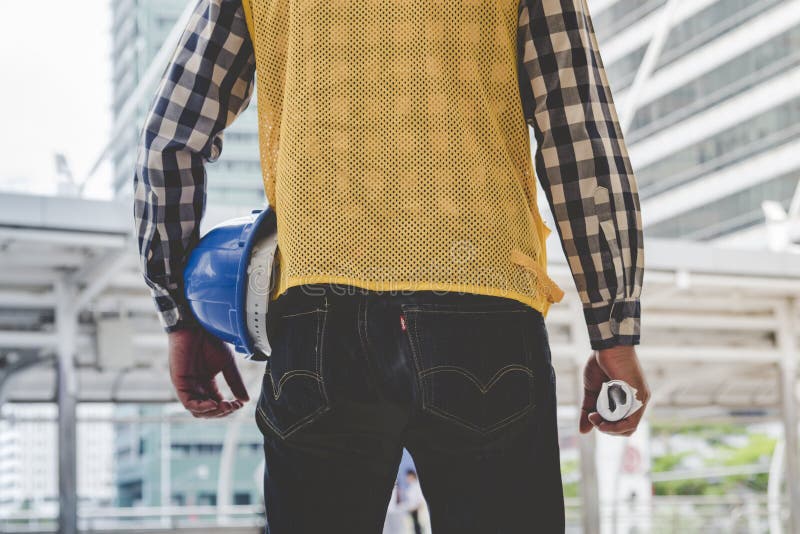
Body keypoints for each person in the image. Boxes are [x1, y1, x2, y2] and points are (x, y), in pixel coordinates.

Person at [133, 0, 650, 532]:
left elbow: (170, 138)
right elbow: (579, 136)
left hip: (316, 317)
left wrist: (181, 315)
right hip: (485, 306)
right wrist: (613, 332)